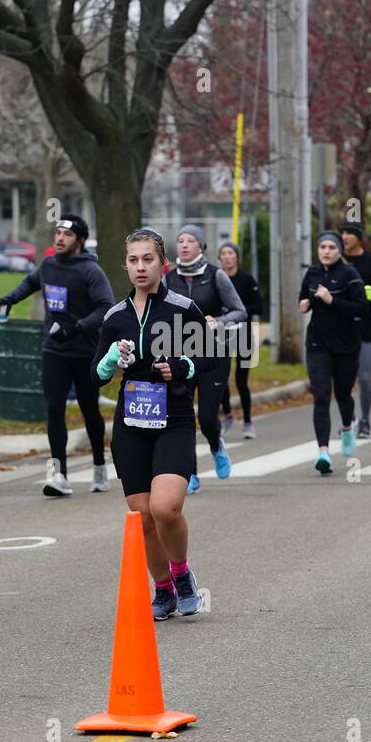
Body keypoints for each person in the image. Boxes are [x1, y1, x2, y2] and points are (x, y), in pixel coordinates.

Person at [92, 229, 212, 620]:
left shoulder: (182, 309)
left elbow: (209, 361)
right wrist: (111, 359)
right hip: (131, 422)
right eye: (133, 260)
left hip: (173, 418)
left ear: (164, 264)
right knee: (142, 516)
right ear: (125, 265)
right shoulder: (115, 317)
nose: (140, 267)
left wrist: (180, 367)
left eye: (148, 259)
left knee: (166, 508)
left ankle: (182, 575)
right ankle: (162, 590)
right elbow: (95, 375)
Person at [0, 215, 114, 497]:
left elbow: (106, 307)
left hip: (85, 351)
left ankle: (99, 465)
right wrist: (9, 299)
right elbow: (30, 282)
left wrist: (76, 328)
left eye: (67, 235)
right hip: (54, 350)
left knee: (89, 409)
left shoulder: (90, 271)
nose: (60, 238)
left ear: (80, 241)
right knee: (54, 408)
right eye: (57, 233)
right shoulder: (49, 265)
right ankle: (58, 475)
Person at [164, 224, 246, 492]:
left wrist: (218, 321)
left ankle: (215, 444)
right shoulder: (169, 279)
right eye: (181, 240)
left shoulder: (216, 276)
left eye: (190, 241)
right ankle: (190, 474)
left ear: (201, 246)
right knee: (183, 417)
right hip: (182, 356)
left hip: (214, 354)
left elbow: (240, 311)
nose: (185, 245)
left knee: (208, 417)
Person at [299, 232, 368, 474]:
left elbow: (361, 308)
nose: (326, 251)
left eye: (331, 247)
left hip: (346, 346)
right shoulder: (312, 273)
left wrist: (332, 300)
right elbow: (303, 296)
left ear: (339, 250)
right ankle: (323, 452)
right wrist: (305, 304)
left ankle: (348, 427)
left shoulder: (349, 275)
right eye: (322, 247)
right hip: (317, 344)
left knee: (342, 394)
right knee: (320, 396)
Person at [340, 221, 371, 438]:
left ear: (359, 236)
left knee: (364, 377)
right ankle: (347, 419)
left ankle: (365, 420)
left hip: (367, 327)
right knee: (343, 378)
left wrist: (370, 300)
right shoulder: (338, 261)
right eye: (342, 233)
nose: (345, 237)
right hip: (342, 329)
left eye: (349, 233)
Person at [216, 240, 262, 439]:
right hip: (221, 335)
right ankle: (227, 414)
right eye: (223, 254)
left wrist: (237, 311)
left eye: (230, 253)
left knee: (242, 381)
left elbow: (258, 307)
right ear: (220, 258)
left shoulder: (247, 279)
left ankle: (248, 422)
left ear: (237, 257)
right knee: (221, 379)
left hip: (243, 333)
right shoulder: (215, 279)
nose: (227, 257)